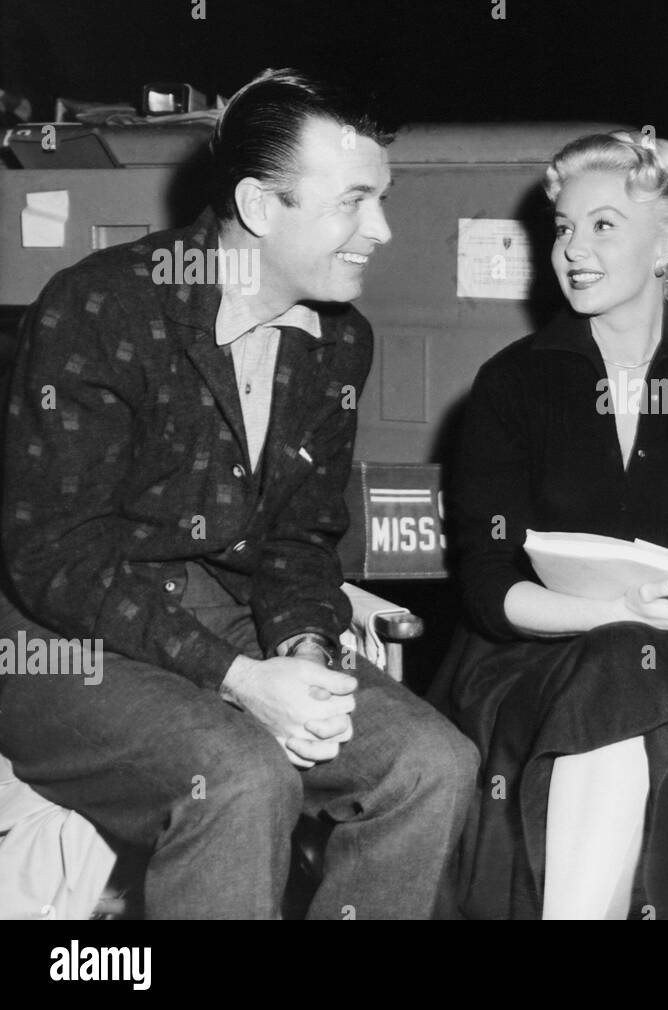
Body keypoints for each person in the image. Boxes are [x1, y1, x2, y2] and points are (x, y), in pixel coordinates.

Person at [0, 68, 479, 919]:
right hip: (56, 638)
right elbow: (54, 561)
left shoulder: (339, 341)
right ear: (260, 208)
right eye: (355, 201)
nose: (382, 229)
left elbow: (300, 539)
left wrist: (301, 648)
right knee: (239, 778)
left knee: (431, 764)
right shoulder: (100, 308)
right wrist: (236, 679)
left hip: (219, 615)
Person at [434, 130, 668, 919]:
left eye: (603, 225)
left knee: (636, 667)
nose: (572, 250)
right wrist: (622, 613)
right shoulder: (512, 385)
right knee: (627, 662)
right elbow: (490, 588)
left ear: (667, 242)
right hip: (523, 663)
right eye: (563, 227)